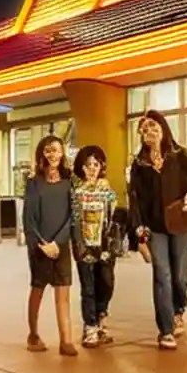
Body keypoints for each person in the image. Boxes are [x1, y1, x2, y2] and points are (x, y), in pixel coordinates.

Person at [127, 109, 187, 350]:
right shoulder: (138, 165)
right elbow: (135, 204)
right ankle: (165, 330)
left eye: (154, 127)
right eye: (145, 129)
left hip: (180, 223)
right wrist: (139, 236)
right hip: (154, 228)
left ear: (164, 130)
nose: (150, 133)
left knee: (179, 276)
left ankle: (179, 309)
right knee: (162, 274)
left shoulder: (180, 156)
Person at [23, 135, 77, 356]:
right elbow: (29, 219)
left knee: (63, 292)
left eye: (56, 150)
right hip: (39, 246)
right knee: (38, 289)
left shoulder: (70, 182)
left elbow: (73, 216)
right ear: (41, 154)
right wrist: (41, 243)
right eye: (48, 150)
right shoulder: (34, 183)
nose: (52, 154)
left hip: (61, 245)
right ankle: (33, 334)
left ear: (62, 153)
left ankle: (66, 340)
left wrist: (59, 241)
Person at [71, 145, 118, 348]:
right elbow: (73, 219)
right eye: (87, 164)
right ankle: (90, 326)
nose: (91, 168)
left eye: (95, 164)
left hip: (105, 245)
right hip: (84, 245)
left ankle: (101, 317)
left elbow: (114, 217)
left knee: (106, 282)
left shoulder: (107, 191)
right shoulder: (75, 192)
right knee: (88, 287)